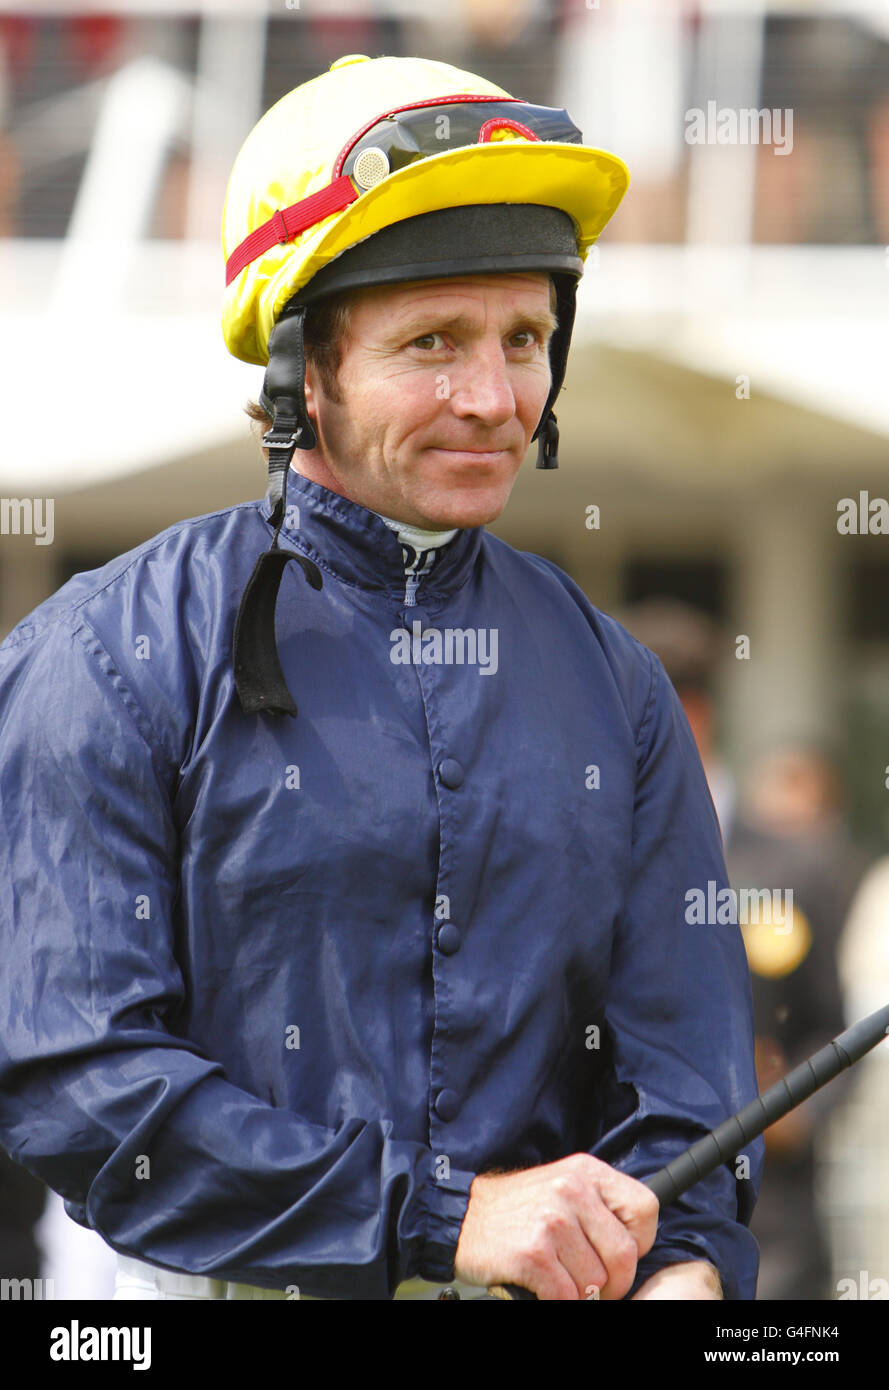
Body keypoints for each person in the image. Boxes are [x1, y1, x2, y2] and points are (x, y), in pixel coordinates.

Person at [0, 54, 762, 1301]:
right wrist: (441, 1216)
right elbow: (71, 1073)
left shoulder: (617, 686)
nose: (492, 398)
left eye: (525, 338)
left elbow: (683, 1079)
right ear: (303, 367)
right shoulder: (100, 654)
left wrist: (681, 1263)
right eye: (432, 343)